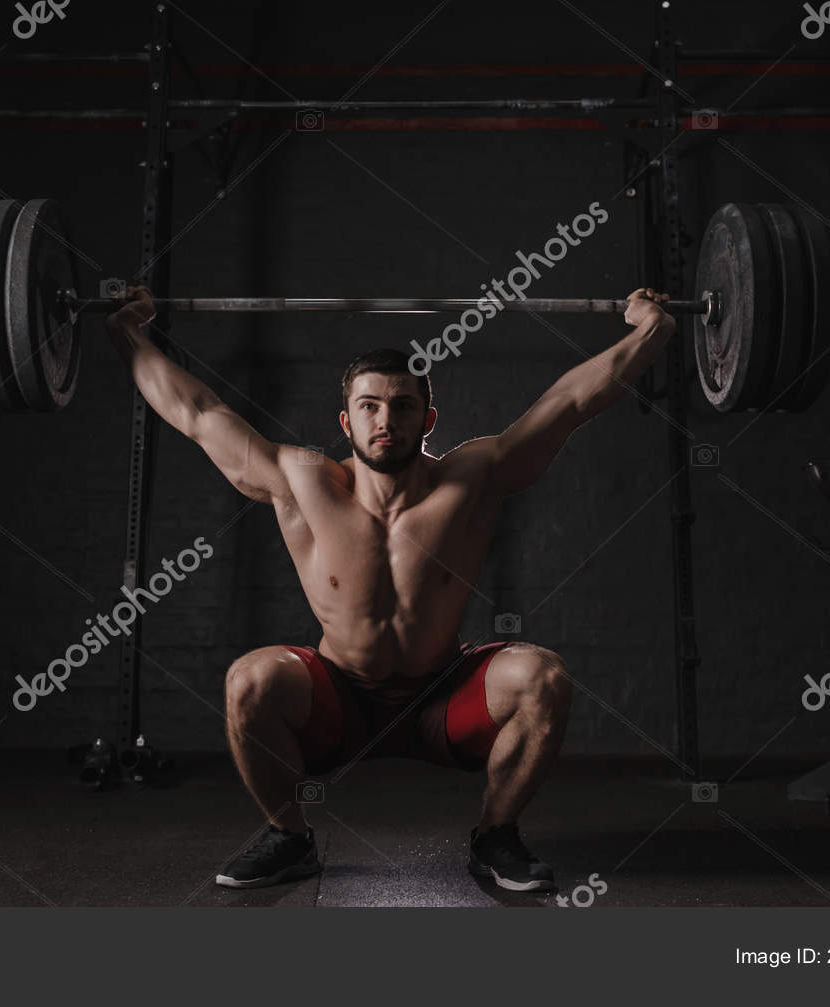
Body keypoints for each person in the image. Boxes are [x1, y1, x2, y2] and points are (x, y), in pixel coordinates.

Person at [105, 288, 677, 892]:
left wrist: (650, 333)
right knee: (249, 680)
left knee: (544, 676)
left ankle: (496, 836)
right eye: (370, 406)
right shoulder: (303, 482)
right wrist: (130, 338)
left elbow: (570, 401)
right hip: (337, 701)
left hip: (442, 698)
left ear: (427, 419)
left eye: (403, 406)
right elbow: (197, 412)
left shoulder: (473, 475)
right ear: (347, 420)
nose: (386, 420)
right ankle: (290, 838)